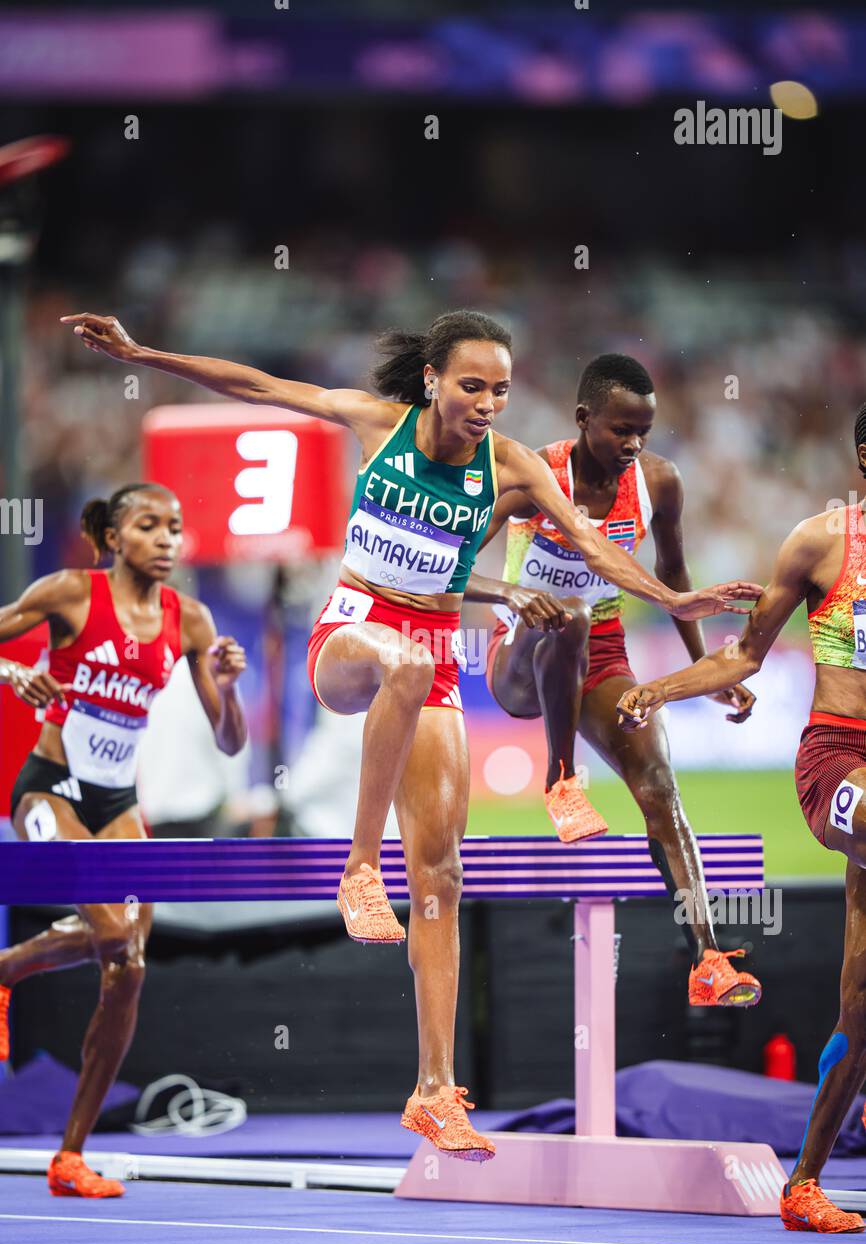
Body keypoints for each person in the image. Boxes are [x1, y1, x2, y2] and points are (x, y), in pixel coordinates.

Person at [61, 307, 758, 1160]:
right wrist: (142, 354)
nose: (488, 403)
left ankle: (433, 1088)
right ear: (431, 380)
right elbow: (253, 384)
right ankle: (359, 870)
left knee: (442, 871)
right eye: (472, 385)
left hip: (427, 652)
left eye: (500, 389)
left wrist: (675, 601)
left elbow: (586, 541)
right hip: (351, 633)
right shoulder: (376, 421)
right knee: (405, 664)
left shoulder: (510, 466)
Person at [615, 402, 866, 1233]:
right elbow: (745, 654)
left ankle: (803, 1186)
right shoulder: (821, 542)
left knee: (859, 1012)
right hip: (837, 762)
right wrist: (660, 688)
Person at [465, 353, 761, 1007]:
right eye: (619, 430)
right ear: (582, 419)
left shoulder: (659, 482)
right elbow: (455, 562)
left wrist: (706, 670)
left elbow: (676, 581)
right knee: (563, 619)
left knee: (660, 786)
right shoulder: (533, 473)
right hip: (521, 654)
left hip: (602, 655)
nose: (632, 445)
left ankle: (708, 960)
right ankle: (561, 780)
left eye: (642, 432)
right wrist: (512, 594)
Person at [0, 483, 247, 1197]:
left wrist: (228, 690)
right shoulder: (70, 592)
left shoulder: (190, 620)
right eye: (149, 526)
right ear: (113, 538)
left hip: (115, 803)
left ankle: (70, 1157)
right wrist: (15, 670)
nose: (168, 539)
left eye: (175, 526)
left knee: (129, 965)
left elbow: (229, 743)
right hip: (51, 787)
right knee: (111, 929)